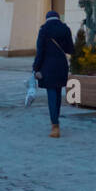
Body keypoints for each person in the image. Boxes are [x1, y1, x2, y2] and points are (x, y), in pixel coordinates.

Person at [32, 8, 75, 138]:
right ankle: (56, 122)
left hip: (47, 66)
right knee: (57, 92)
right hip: (61, 65)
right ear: (58, 18)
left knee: (51, 94)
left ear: (47, 18)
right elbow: (70, 49)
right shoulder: (65, 29)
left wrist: (36, 68)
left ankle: (55, 125)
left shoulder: (43, 30)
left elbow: (40, 51)